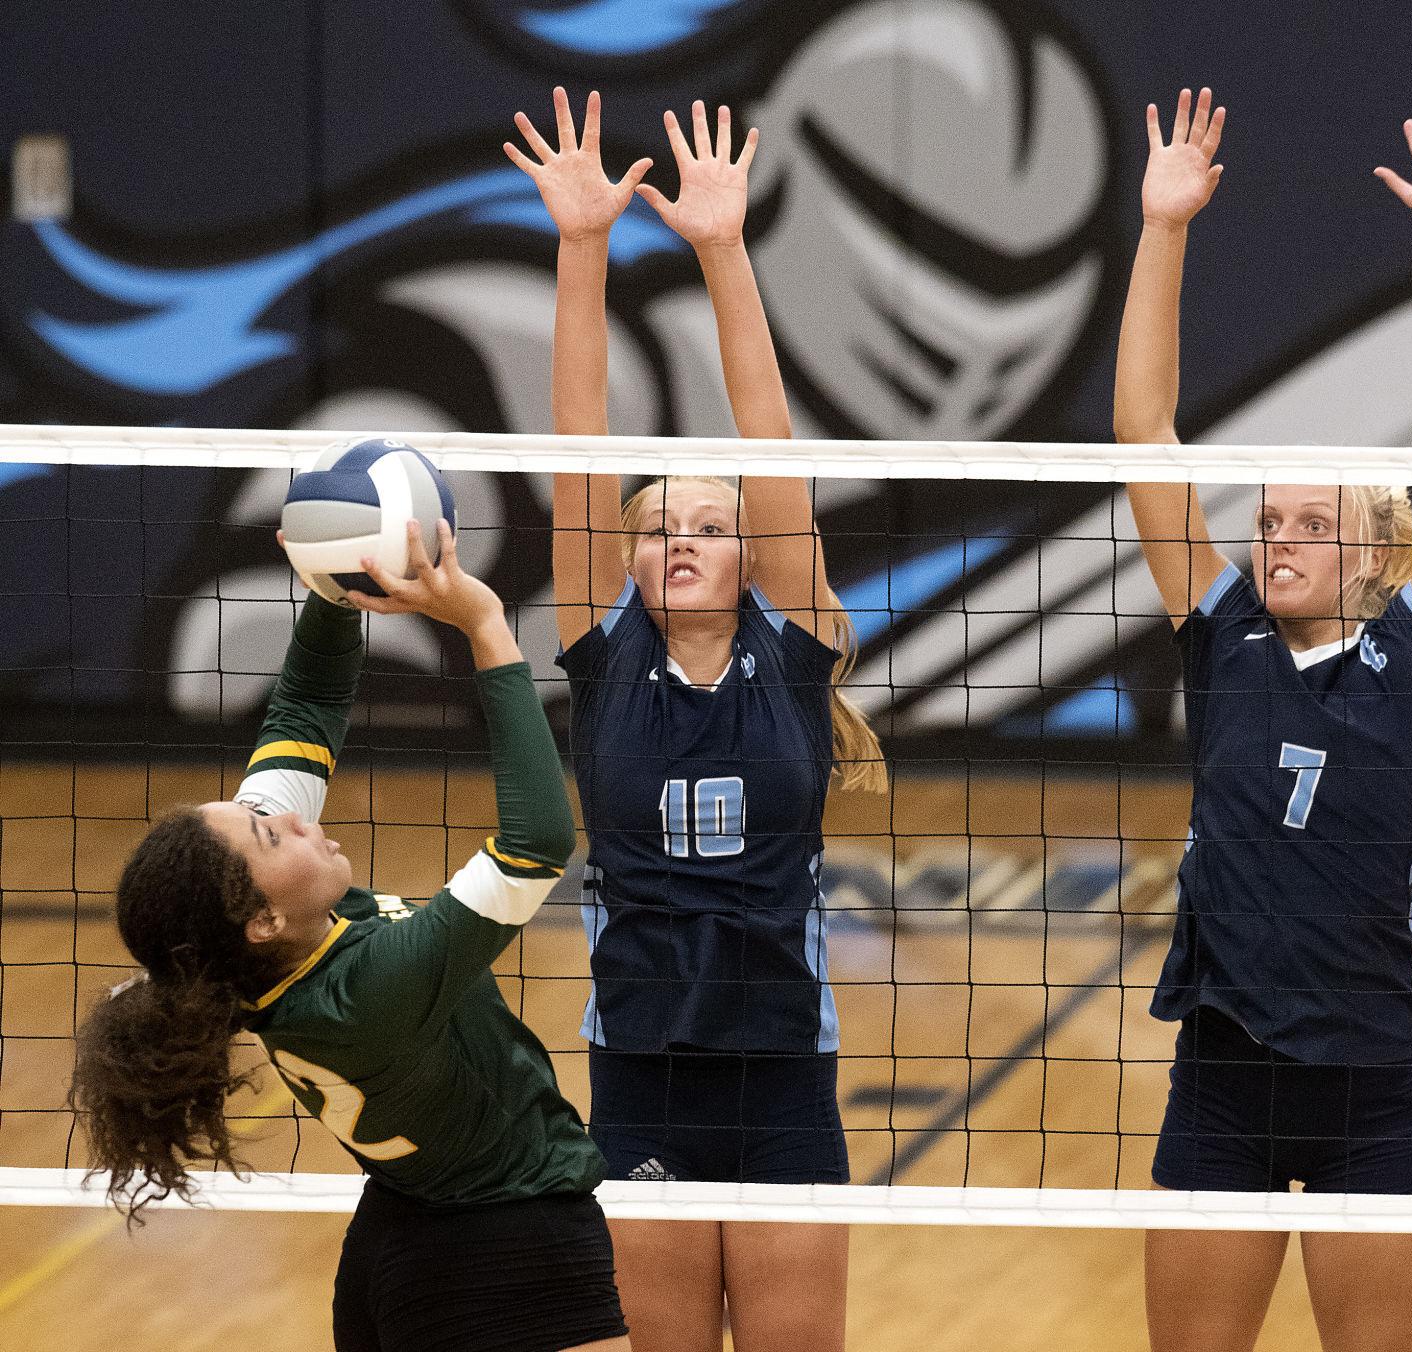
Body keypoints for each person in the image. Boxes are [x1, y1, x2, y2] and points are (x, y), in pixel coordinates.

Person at [1115, 88, 1412, 1352]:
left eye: (1306, 521)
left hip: (1370, 1087)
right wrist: (1163, 226)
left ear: (1376, 550)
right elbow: (1141, 428)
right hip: (1221, 1082)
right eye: (1266, 517)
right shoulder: (1221, 633)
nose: (1272, 535)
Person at [504, 88, 885, 1352]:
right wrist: (581, 247)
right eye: (659, 523)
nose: (681, 537)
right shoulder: (602, 658)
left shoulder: (794, 656)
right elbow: (577, 441)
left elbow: (768, 440)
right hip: (639, 1070)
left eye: (708, 524)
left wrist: (722, 251)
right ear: (631, 551)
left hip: (781, 1073)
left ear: (746, 554)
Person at [70, 519, 631, 1352]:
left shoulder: (264, 952)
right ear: (259, 919)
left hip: (402, 1236)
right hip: (507, 1248)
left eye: (263, 810)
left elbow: (303, 707)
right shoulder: (367, 993)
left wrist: (337, 584)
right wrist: (484, 627)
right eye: (267, 835)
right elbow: (537, 844)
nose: (292, 822)